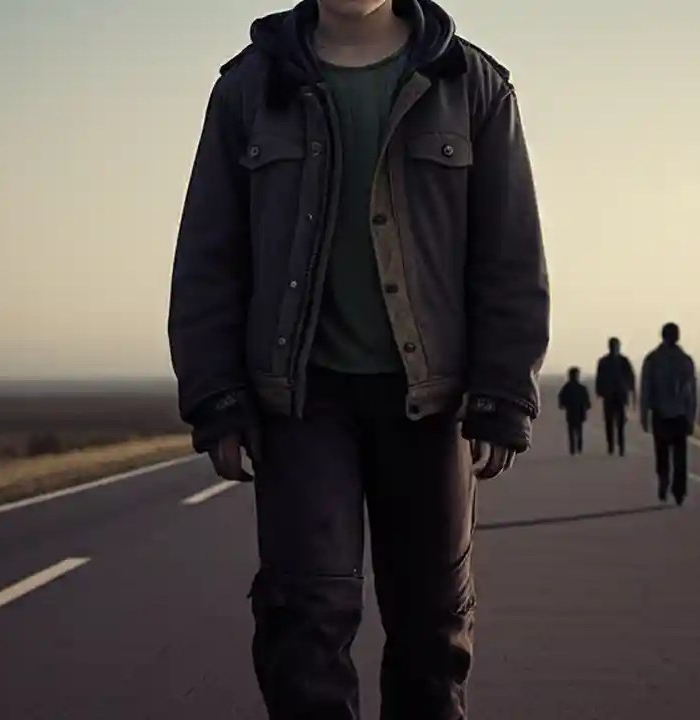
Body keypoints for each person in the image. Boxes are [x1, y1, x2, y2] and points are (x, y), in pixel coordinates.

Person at [168, 0, 550, 716]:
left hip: (429, 402)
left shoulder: (473, 85)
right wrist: (216, 394)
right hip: (302, 404)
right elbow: (208, 256)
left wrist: (502, 392)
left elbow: (510, 253)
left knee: (433, 632)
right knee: (303, 623)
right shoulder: (249, 88)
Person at [640, 323, 699, 505]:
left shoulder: (653, 359)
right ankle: (677, 489)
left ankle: (666, 480)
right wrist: (691, 417)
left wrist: (644, 414)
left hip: (663, 414)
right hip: (677, 414)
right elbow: (692, 392)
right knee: (677, 455)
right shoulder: (684, 360)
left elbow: (646, 389)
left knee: (664, 453)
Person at [595, 337, 636, 456]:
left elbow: (631, 376)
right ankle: (611, 445)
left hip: (621, 395)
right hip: (609, 395)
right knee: (609, 422)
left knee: (621, 423)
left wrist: (631, 389)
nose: (614, 348)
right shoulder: (603, 361)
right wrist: (599, 390)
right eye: (613, 345)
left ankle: (621, 446)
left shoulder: (624, 361)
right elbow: (600, 377)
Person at [558, 367, 591, 456]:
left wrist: (562, 405)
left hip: (574, 412)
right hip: (577, 412)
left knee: (573, 431)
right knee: (577, 431)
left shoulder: (567, 387)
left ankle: (574, 449)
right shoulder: (580, 388)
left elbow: (561, 399)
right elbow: (587, 401)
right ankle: (577, 448)